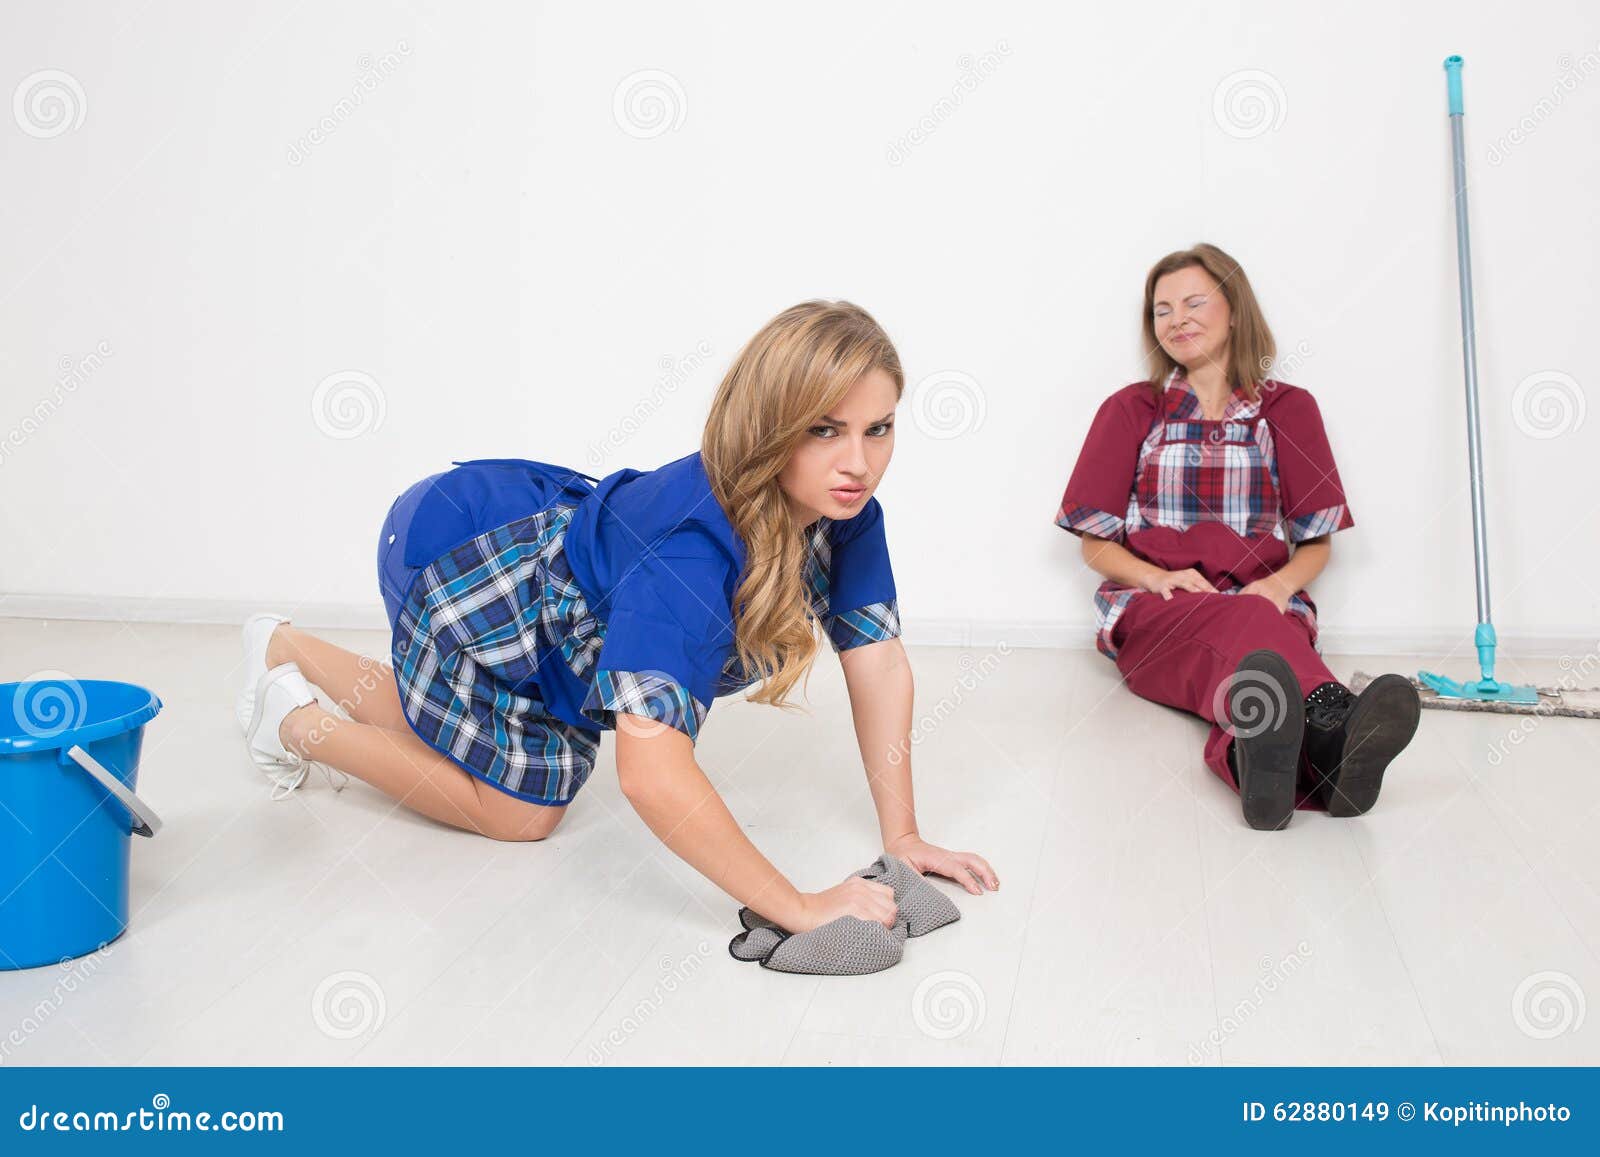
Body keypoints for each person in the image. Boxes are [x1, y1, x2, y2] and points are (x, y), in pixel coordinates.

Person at [235, 300, 998, 930]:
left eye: (880, 427)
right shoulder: (691, 552)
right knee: (521, 809)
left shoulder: (846, 513)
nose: (859, 461)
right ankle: (293, 722)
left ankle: (282, 643)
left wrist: (902, 836)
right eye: (826, 429)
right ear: (769, 424)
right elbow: (652, 774)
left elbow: (880, 666)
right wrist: (797, 906)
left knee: (472, 736)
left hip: (548, 567)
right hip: (467, 559)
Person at [1053, 243, 1421, 830]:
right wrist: (1155, 576)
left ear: (1236, 310)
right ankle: (1332, 729)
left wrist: (1277, 588)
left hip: (1264, 607)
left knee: (1258, 654)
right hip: (1159, 610)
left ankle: (1251, 764)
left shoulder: (1291, 411)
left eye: (1194, 302)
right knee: (1253, 638)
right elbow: (1093, 542)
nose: (1177, 320)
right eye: (1161, 310)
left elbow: (1317, 541)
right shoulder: (1130, 410)